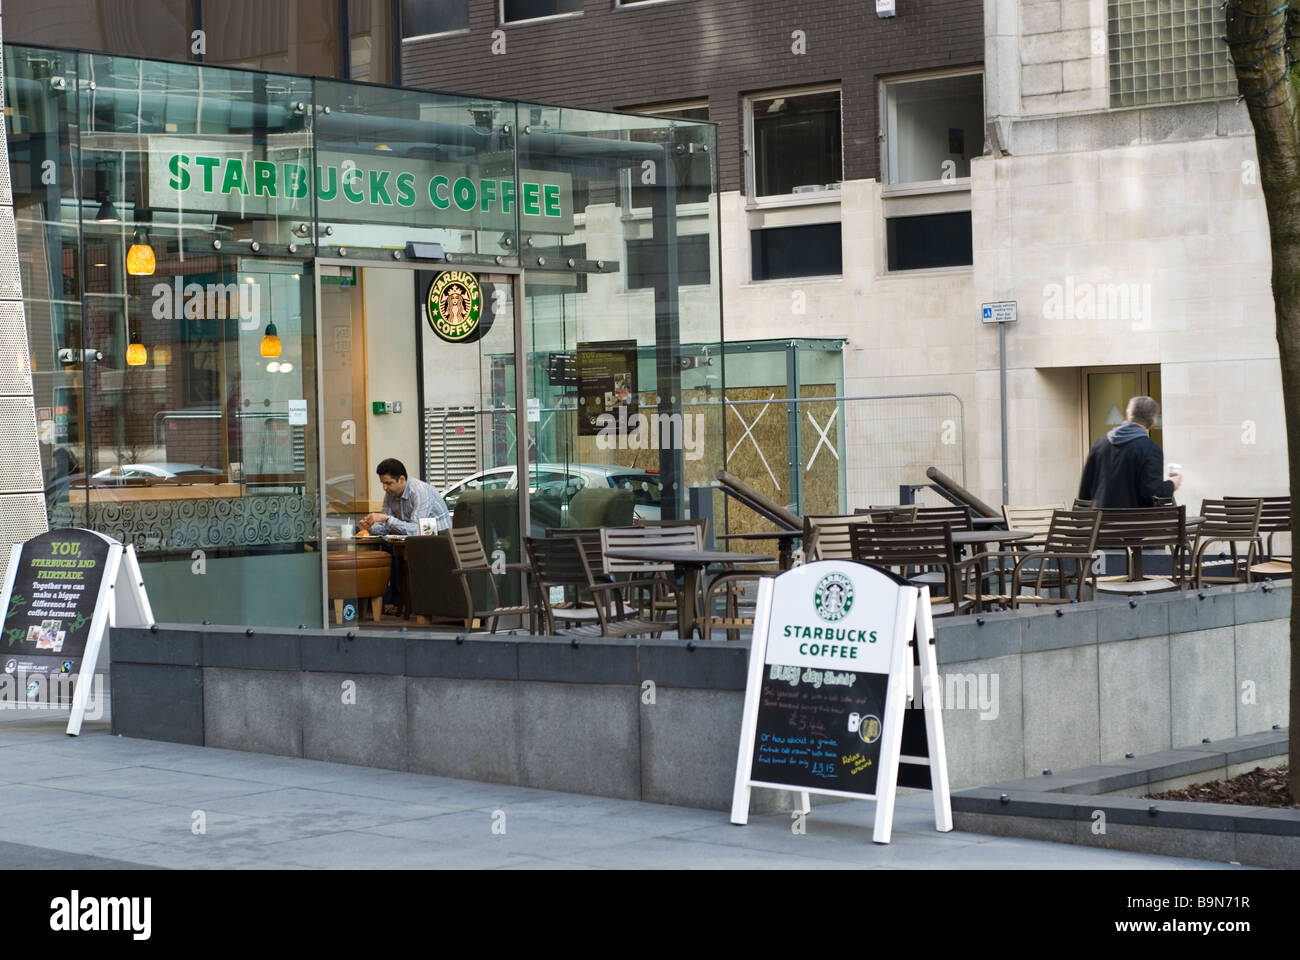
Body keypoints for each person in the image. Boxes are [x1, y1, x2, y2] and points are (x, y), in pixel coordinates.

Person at [1078, 396, 1182, 508]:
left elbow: (1085, 491)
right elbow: (1153, 493)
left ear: (1127, 416)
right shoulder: (1151, 449)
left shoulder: (1100, 444)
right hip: (1136, 523)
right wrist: (1172, 484)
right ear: (1153, 423)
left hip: (1101, 522)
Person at [359, 458, 451, 536]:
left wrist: (387, 518)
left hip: (440, 539)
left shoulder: (419, 491)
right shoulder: (390, 494)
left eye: (388, 483)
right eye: (383, 483)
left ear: (402, 479)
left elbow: (417, 530)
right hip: (412, 542)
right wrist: (371, 528)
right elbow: (387, 527)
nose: (384, 488)